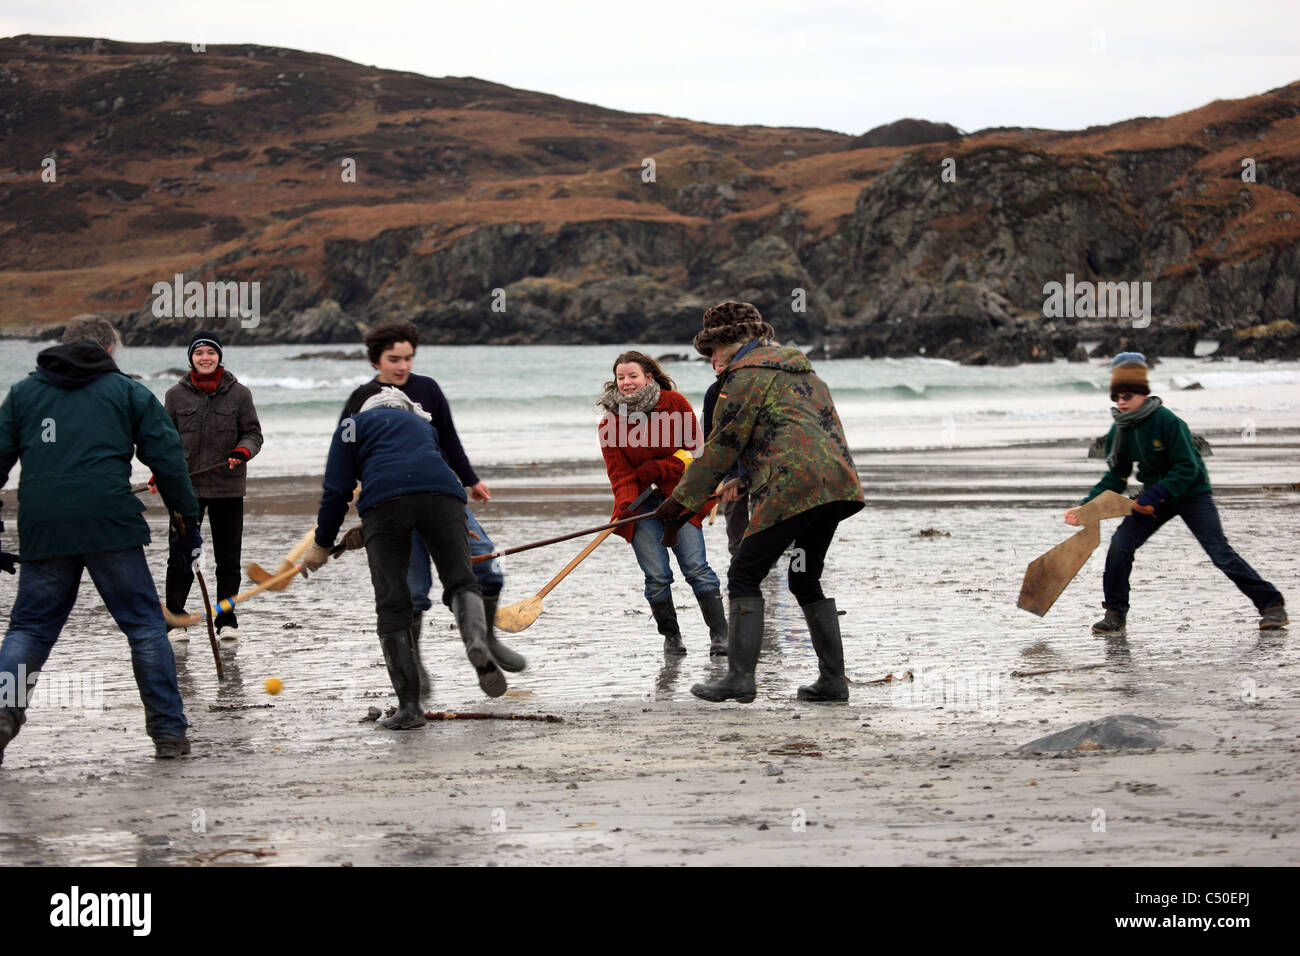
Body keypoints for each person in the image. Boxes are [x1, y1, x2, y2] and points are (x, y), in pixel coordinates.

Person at [0, 316, 201, 763]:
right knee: (145, 628)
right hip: (110, 521)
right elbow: (167, 458)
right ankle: (169, 734)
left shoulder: (24, 394)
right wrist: (187, 519)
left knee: (29, 629)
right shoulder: (127, 392)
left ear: (63, 345)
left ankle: (3, 711)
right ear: (110, 351)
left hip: (44, 524)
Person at [650, 301, 865, 703]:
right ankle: (832, 683)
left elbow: (720, 447)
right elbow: (797, 432)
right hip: (835, 486)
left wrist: (677, 506)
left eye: (712, 350)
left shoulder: (744, 377)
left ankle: (740, 678)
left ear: (731, 342)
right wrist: (745, 477)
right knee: (803, 576)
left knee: (744, 573)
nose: (710, 359)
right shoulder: (803, 371)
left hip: (794, 490)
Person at [304, 383, 507, 729]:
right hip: (444, 496)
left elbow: (337, 489)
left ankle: (411, 708)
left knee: (393, 603)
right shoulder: (421, 424)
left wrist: (322, 544)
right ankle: (475, 640)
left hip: (386, 503)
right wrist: (368, 530)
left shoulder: (350, 426)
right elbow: (416, 475)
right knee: (461, 581)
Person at [339, 322, 523, 694]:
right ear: (376, 360)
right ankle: (416, 661)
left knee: (484, 561)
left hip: (440, 491)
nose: (402, 366)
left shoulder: (428, 389)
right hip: (392, 501)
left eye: (408, 358)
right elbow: (349, 455)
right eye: (394, 359)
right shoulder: (361, 398)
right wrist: (359, 498)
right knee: (413, 588)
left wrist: (470, 480)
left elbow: (448, 439)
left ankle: (484, 641)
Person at [1066, 353, 1287, 633]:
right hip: (1153, 498)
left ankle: (1271, 605)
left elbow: (1188, 467)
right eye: (1116, 396)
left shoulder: (1168, 422)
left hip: (1192, 493)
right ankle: (1115, 613)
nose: (1121, 401)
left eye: (1128, 394)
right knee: (1120, 546)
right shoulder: (1120, 429)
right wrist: (1087, 507)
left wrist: (1150, 498)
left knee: (1220, 553)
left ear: (1143, 395)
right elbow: (1117, 475)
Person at [598, 351, 727, 655]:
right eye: (621, 377)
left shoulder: (675, 403)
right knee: (657, 576)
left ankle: (721, 636)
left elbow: (694, 451)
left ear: (648, 377)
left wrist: (662, 468)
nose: (627, 382)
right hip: (641, 505)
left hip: (680, 497)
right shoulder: (611, 421)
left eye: (633, 376)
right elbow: (620, 474)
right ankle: (672, 637)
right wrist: (627, 504)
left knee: (696, 568)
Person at [156, 330, 262, 643]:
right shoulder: (175, 396)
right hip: (185, 491)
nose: (205, 357)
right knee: (181, 557)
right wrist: (159, 471)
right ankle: (174, 621)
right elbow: (163, 440)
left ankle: (226, 621)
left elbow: (253, 434)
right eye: (199, 352)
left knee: (228, 560)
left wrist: (242, 452)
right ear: (191, 358)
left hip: (228, 488)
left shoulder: (240, 394)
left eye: (210, 353)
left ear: (219, 357)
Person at [702, 345, 751, 556]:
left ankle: (769, 554)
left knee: (767, 509)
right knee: (734, 505)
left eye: (725, 364)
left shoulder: (752, 386)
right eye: (717, 365)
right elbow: (707, 436)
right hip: (731, 460)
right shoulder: (713, 393)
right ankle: (738, 554)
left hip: (762, 460)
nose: (721, 368)